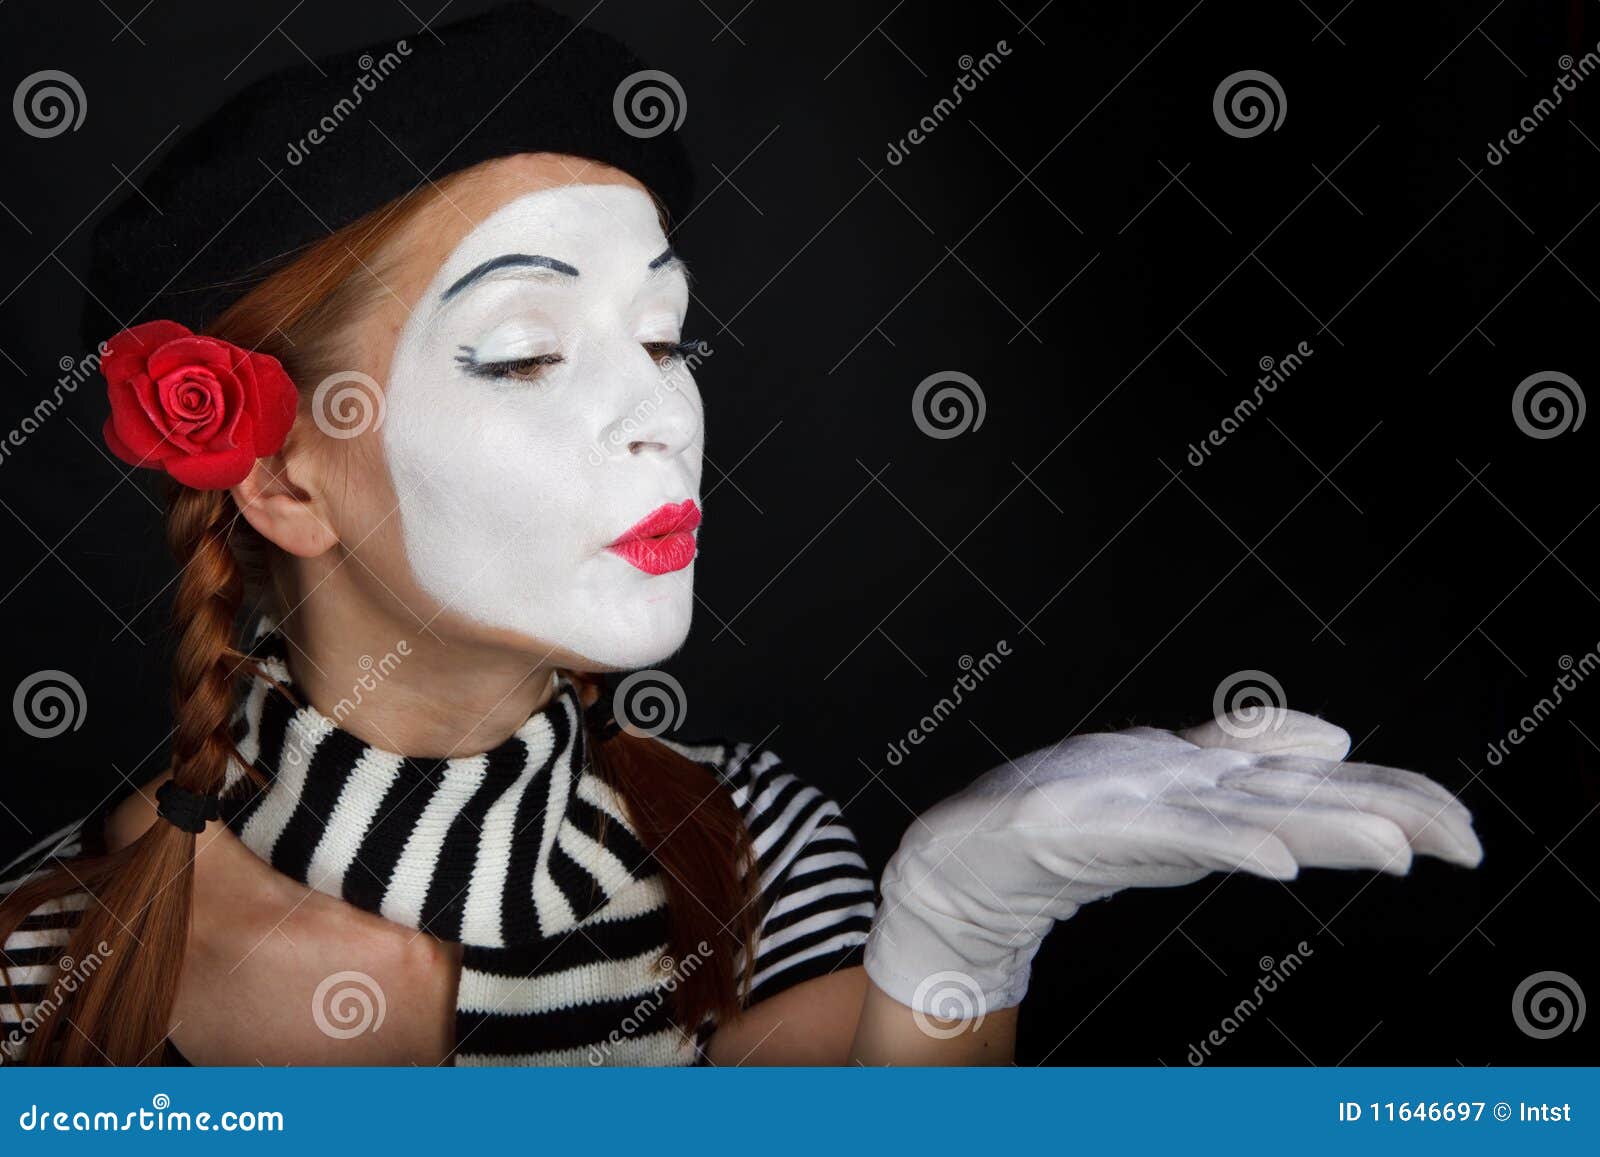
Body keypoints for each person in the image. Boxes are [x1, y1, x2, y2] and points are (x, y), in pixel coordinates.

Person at [0, 2, 1482, 1068]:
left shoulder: (763, 850)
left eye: (665, 336)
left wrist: (958, 934)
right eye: (523, 351)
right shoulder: (41, 985)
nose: (661, 417)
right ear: (281, 482)